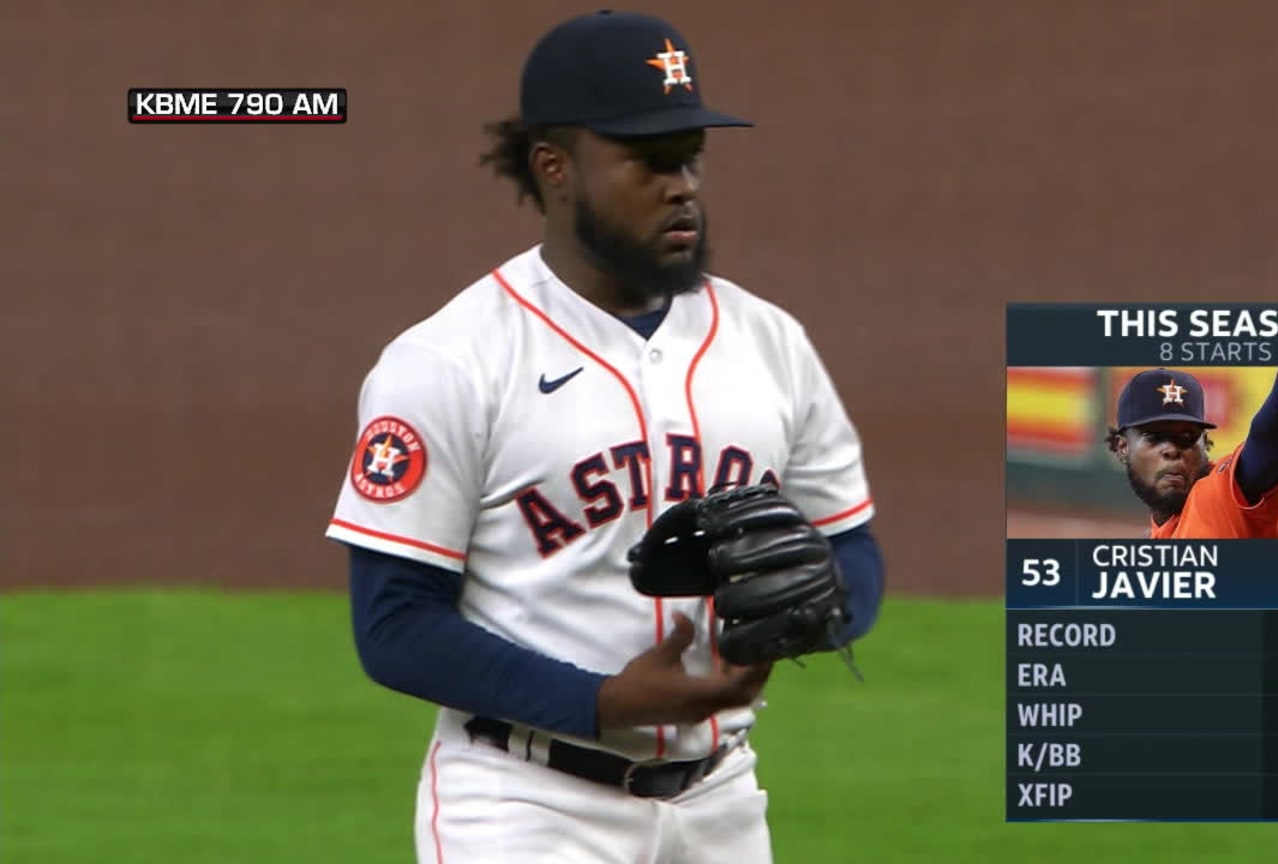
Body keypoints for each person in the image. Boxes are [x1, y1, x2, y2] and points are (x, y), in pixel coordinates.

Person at [322, 11, 884, 863]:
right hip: (525, 806)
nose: (681, 186)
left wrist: (822, 609)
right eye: (649, 161)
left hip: (722, 800)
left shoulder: (770, 342)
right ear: (555, 167)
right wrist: (603, 702)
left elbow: (851, 547)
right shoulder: (450, 362)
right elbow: (394, 625)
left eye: (690, 158)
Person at [1104, 367, 1278, 539]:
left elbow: (1273, 442)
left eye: (1187, 436)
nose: (1172, 450)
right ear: (1123, 447)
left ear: (1204, 442)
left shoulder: (1226, 492)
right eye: (1154, 437)